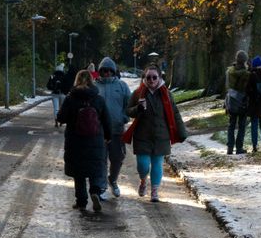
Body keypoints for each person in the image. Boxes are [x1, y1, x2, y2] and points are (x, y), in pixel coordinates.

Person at [123, 64, 187, 202]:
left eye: (154, 77)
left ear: (159, 78)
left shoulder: (166, 94)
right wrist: (138, 108)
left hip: (161, 135)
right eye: (148, 77)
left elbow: (174, 113)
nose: (151, 80)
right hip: (142, 136)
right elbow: (128, 111)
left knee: (157, 163)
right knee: (143, 165)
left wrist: (181, 131)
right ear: (144, 78)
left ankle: (155, 191)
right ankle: (143, 180)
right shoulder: (137, 93)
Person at [57, 70, 112, 212]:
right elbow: (106, 120)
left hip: (75, 141)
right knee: (94, 170)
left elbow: (61, 117)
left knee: (79, 173)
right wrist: (108, 136)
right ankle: (94, 191)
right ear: (91, 81)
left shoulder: (70, 98)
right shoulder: (98, 99)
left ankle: (81, 202)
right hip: (95, 141)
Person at [94, 57, 131, 198]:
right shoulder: (94, 86)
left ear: (114, 71)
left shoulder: (122, 86)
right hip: (99, 131)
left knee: (117, 158)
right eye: (104, 70)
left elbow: (129, 105)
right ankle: (102, 187)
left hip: (116, 130)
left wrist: (124, 118)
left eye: (110, 70)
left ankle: (113, 180)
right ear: (100, 71)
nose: (107, 73)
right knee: (100, 159)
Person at [225, 50, 250, 155]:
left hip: (231, 100)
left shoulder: (229, 72)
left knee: (231, 125)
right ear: (245, 60)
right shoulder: (247, 73)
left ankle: (230, 148)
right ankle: (239, 148)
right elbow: (248, 88)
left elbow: (227, 86)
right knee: (241, 125)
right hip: (243, 101)